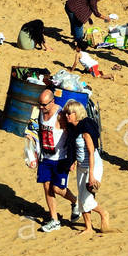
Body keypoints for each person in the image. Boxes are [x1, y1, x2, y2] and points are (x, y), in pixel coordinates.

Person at [29, 89, 77, 231]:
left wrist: (72, 159)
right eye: (40, 104)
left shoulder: (60, 116)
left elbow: (71, 137)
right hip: (45, 157)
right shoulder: (38, 112)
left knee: (57, 188)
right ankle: (54, 219)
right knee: (46, 186)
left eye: (44, 105)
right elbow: (32, 129)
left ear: (52, 101)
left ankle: (76, 202)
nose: (41, 107)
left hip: (60, 158)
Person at [63, 102, 111, 234]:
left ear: (76, 113)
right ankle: (88, 227)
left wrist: (91, 174)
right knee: (81, 198)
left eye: (69, 113)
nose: (67, 116)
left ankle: (104, 213)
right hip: (81, 166)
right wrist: (72, 161)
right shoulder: (73, 129)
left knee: (86, 199)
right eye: (66, 113)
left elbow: (91, 152)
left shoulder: (85, 129)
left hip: (93, 166)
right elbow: (74, 148)